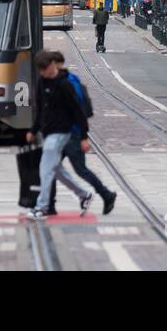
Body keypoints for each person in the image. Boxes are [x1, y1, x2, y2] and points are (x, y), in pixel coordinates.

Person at [42, 52, 116, 215]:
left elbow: (78, 111)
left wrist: (82, 135)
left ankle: (106, 194)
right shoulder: (62, 81)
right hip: (62, 133)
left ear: (56, 64)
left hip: (71, 134)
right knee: (52, 168)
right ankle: (50, 204)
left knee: (79, 169)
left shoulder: (68, 82)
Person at [26, 50, 94, 220]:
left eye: (44, 69)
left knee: (45, 169)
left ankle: (41, 207)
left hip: (61, 132)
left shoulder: (64, 85)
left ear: (52, 66)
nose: (42, 73)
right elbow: (40, 109)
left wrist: (84, 136)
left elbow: (77, 111)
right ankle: (84, 194)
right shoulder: (42, 82)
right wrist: (33, 130)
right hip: (48, 133)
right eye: (40, 70)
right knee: (56, 170)